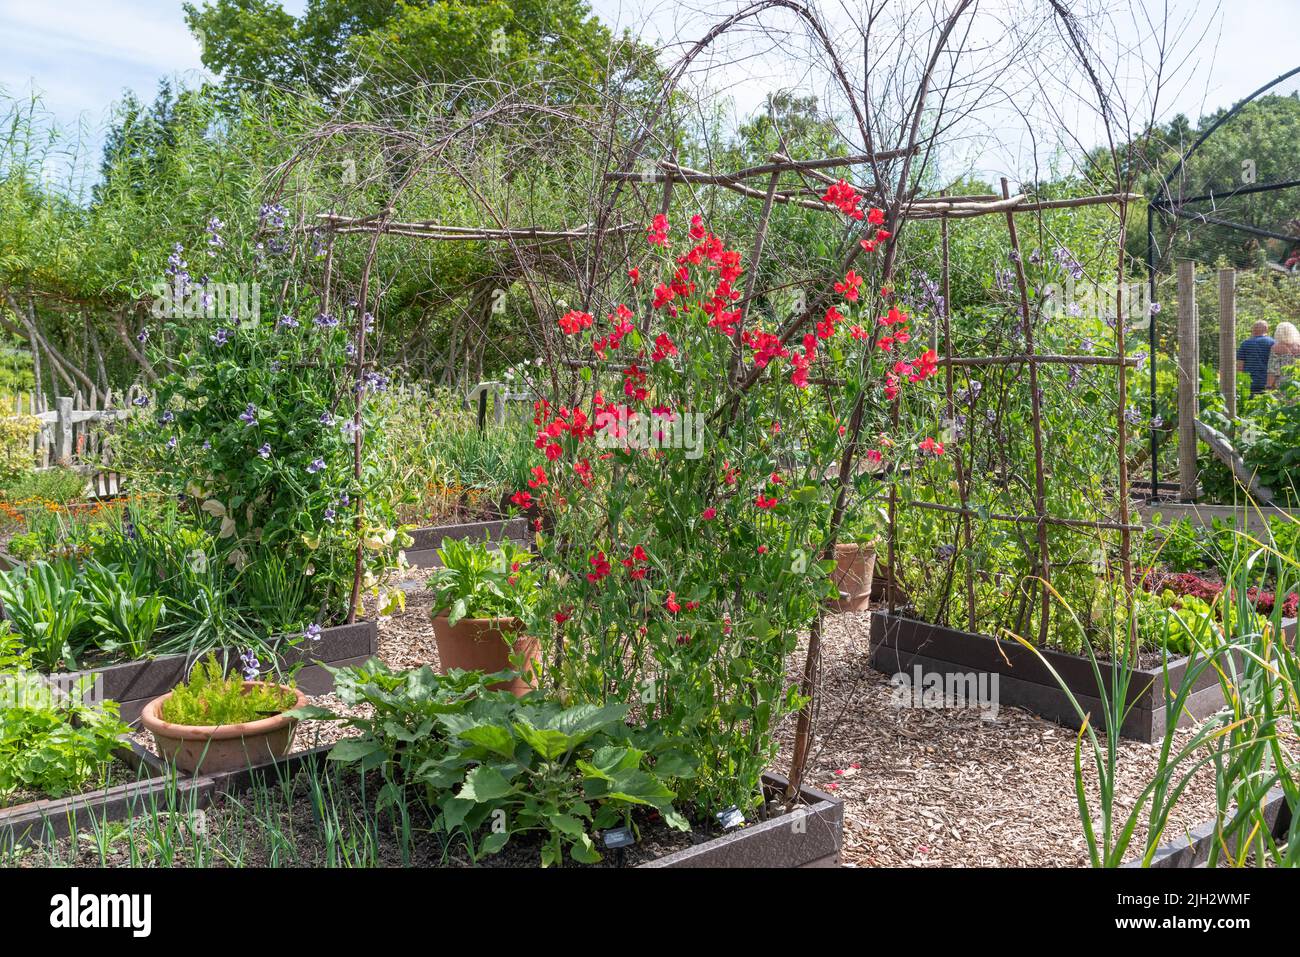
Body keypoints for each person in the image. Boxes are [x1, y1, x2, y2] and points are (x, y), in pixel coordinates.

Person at [1237, 321, 1275, 395]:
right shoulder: (1273, 343)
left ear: (1253, 330)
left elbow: (1239, 366)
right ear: (1266, 329)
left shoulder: (1245, 344)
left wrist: (1239, 382)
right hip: (1267, 382)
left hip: (1249, 382)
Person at [1267, 321, 1300, 390]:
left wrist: (1269, 386)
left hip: (1283, 384)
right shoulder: (1298, 346)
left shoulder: (1276, 348)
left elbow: (1273, 370)